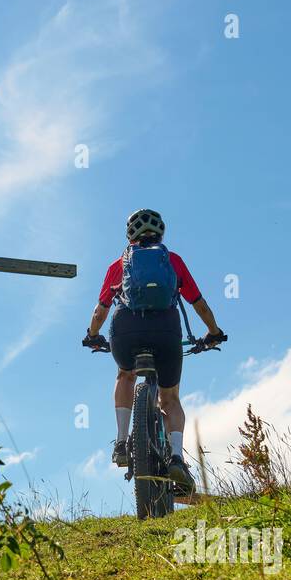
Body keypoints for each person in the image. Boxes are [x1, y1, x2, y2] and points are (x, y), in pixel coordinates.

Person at [81, 208, 225, 490]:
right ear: (161, 233)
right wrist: (213, 332)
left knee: (125, 375)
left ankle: (122, 442)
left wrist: (93, 335)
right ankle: (175, 457)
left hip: (125, 331)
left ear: (129, 235)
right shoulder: (172, 261)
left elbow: (101, 310)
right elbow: (199, 303)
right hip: (166, 332)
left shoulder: (119, 264)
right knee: (170, 398)